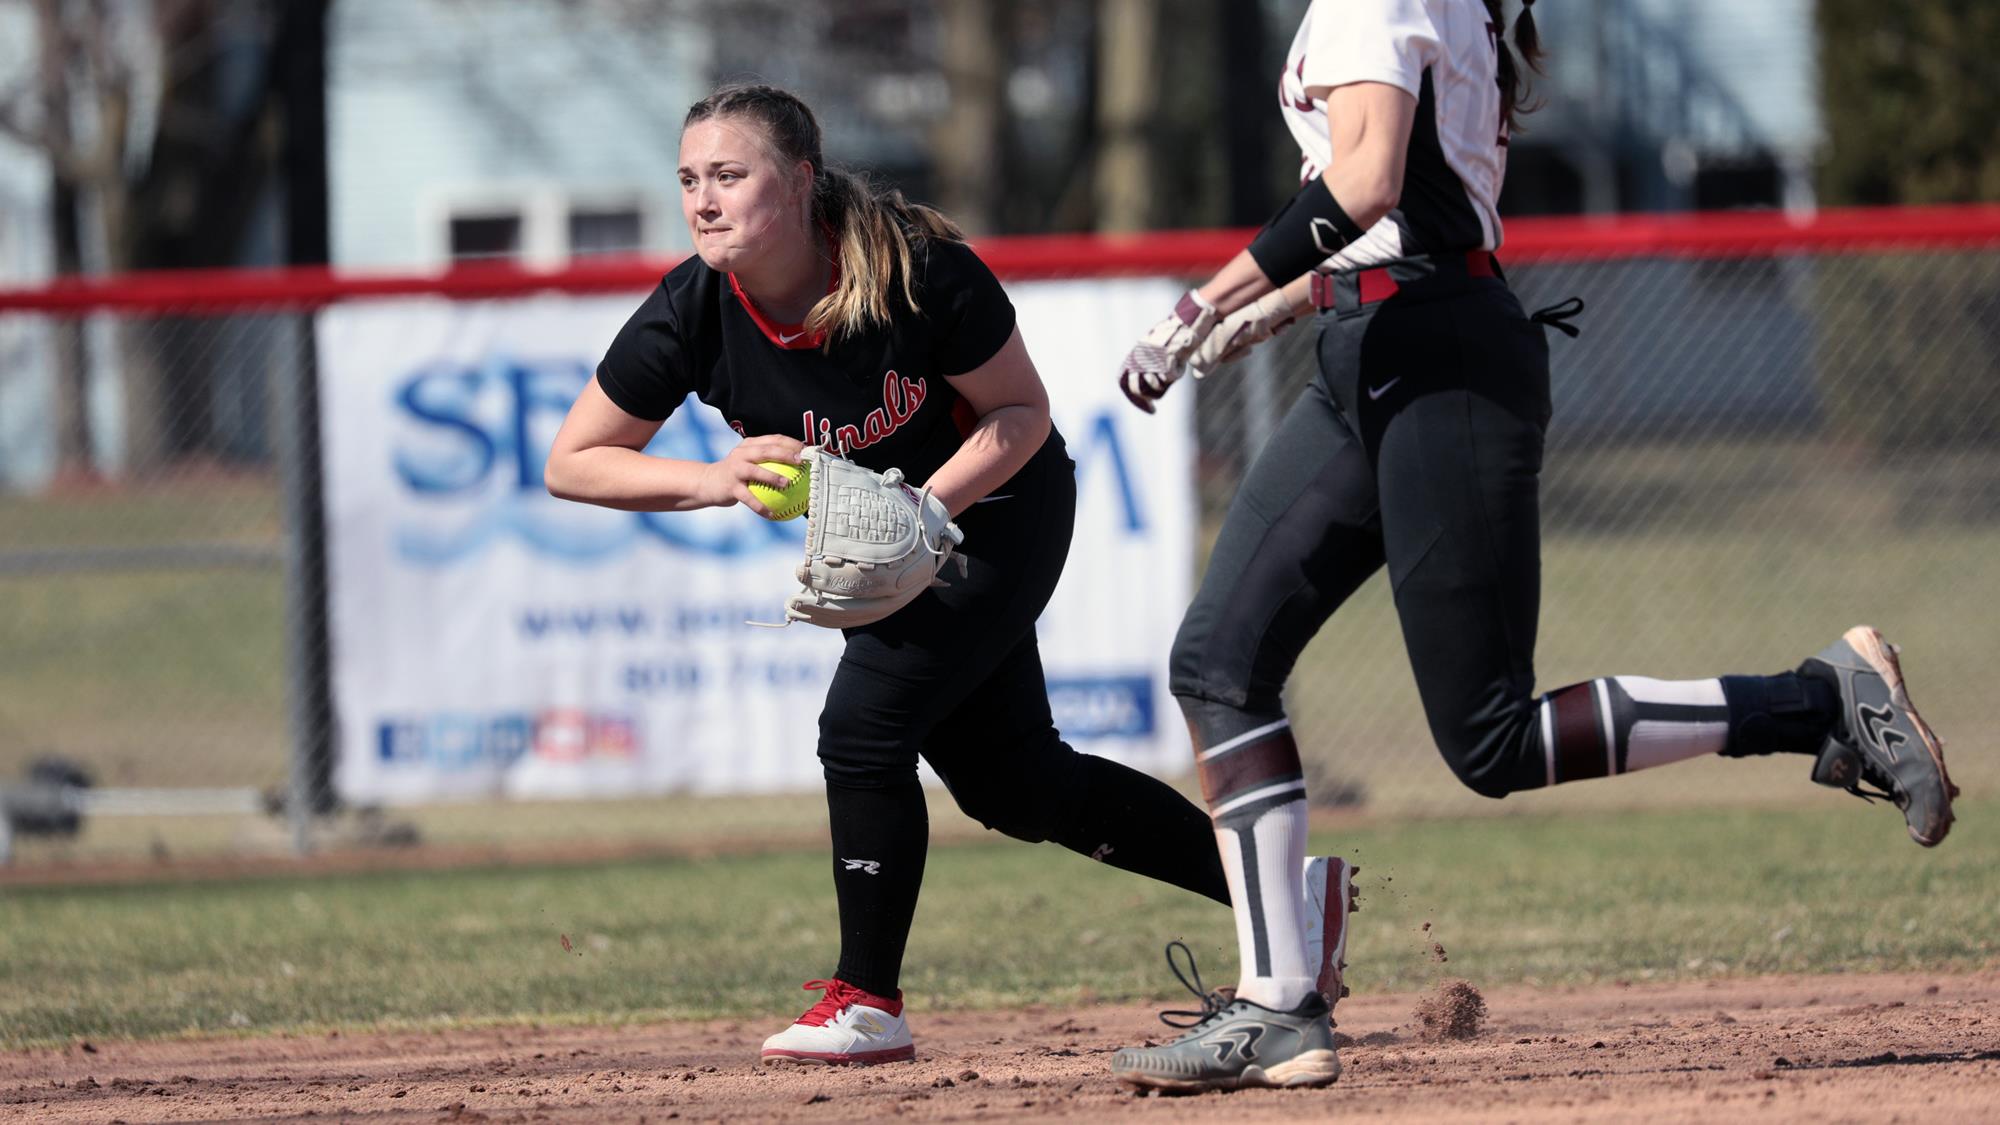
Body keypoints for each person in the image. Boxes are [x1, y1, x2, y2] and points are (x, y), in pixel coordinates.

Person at [1107, 0, 1957, 1093]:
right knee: (1217, 662)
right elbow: (1399, 201)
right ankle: (1278, 1004)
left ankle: (1820, 700)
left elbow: (1368, 183)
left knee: (1490, 740)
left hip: (1436, 361)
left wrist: (1201, 302)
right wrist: (1280, 304)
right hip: (1376, 350)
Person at [546, 83, 1319, 1067]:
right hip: (897, 546)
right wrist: (709, 479)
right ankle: (1288, 904)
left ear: (799, 180)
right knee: (1017, 788)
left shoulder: (913, 268)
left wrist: (927, 510)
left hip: (997, 509)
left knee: (861, 729)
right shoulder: (693, 309)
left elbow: (1020, 414)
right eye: (690, 179)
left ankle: (867, 1001)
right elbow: (574, 461)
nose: (702, 200)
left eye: (729, 175)